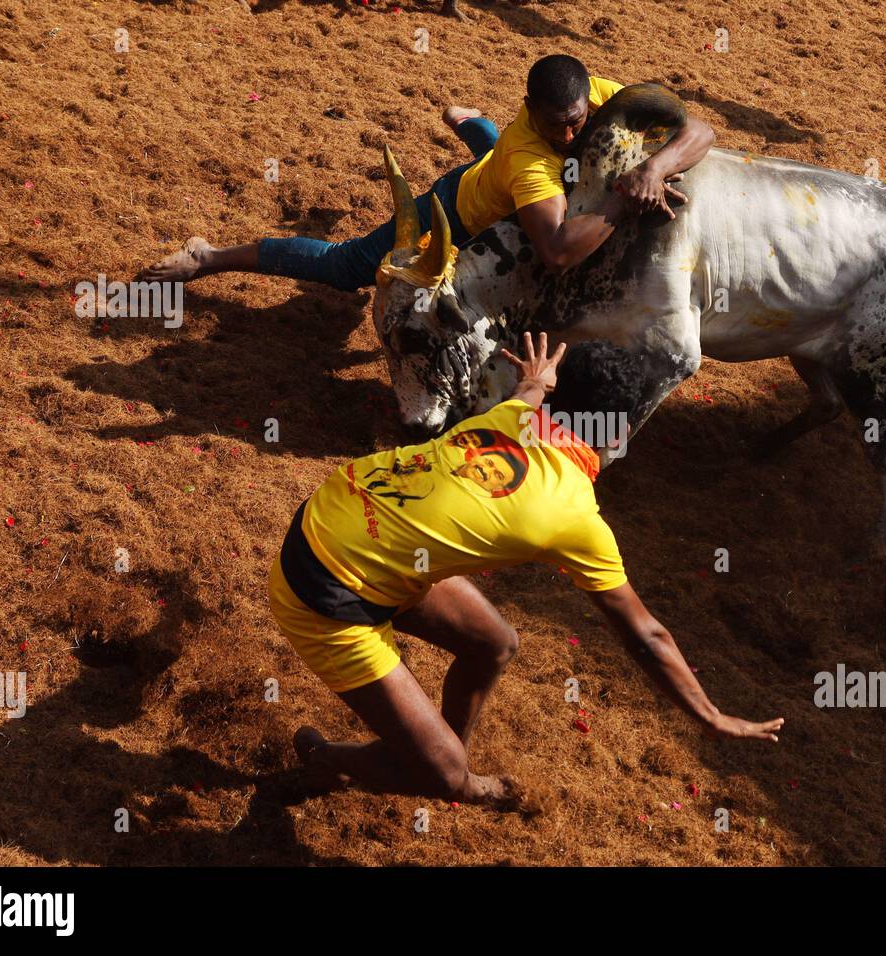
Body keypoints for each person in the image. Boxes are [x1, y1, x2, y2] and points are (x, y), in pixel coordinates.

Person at [274, 332, 782, 806]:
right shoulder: (575, 516)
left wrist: (537, 379)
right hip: (325, 590)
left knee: (494, 644)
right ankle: (346, 761)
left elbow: (531, 396)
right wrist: (710, 716)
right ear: (621, 432)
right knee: (445, 778)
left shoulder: (508, 417)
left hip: (339, 513)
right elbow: (646, 636)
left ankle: (436, 748)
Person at [138, 55, 713, 290]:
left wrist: (656, 168)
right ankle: (207, 257)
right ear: (530, 108)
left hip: (501, 173)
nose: (573, 132)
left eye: (578, 120)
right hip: (459, 217)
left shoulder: (593, 98)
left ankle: (471, 124)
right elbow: (559, 250)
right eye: (558, 125)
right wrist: (623, 201)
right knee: (351, 268)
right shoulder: (528, 155)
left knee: (497, 159)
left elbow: (702, 131)